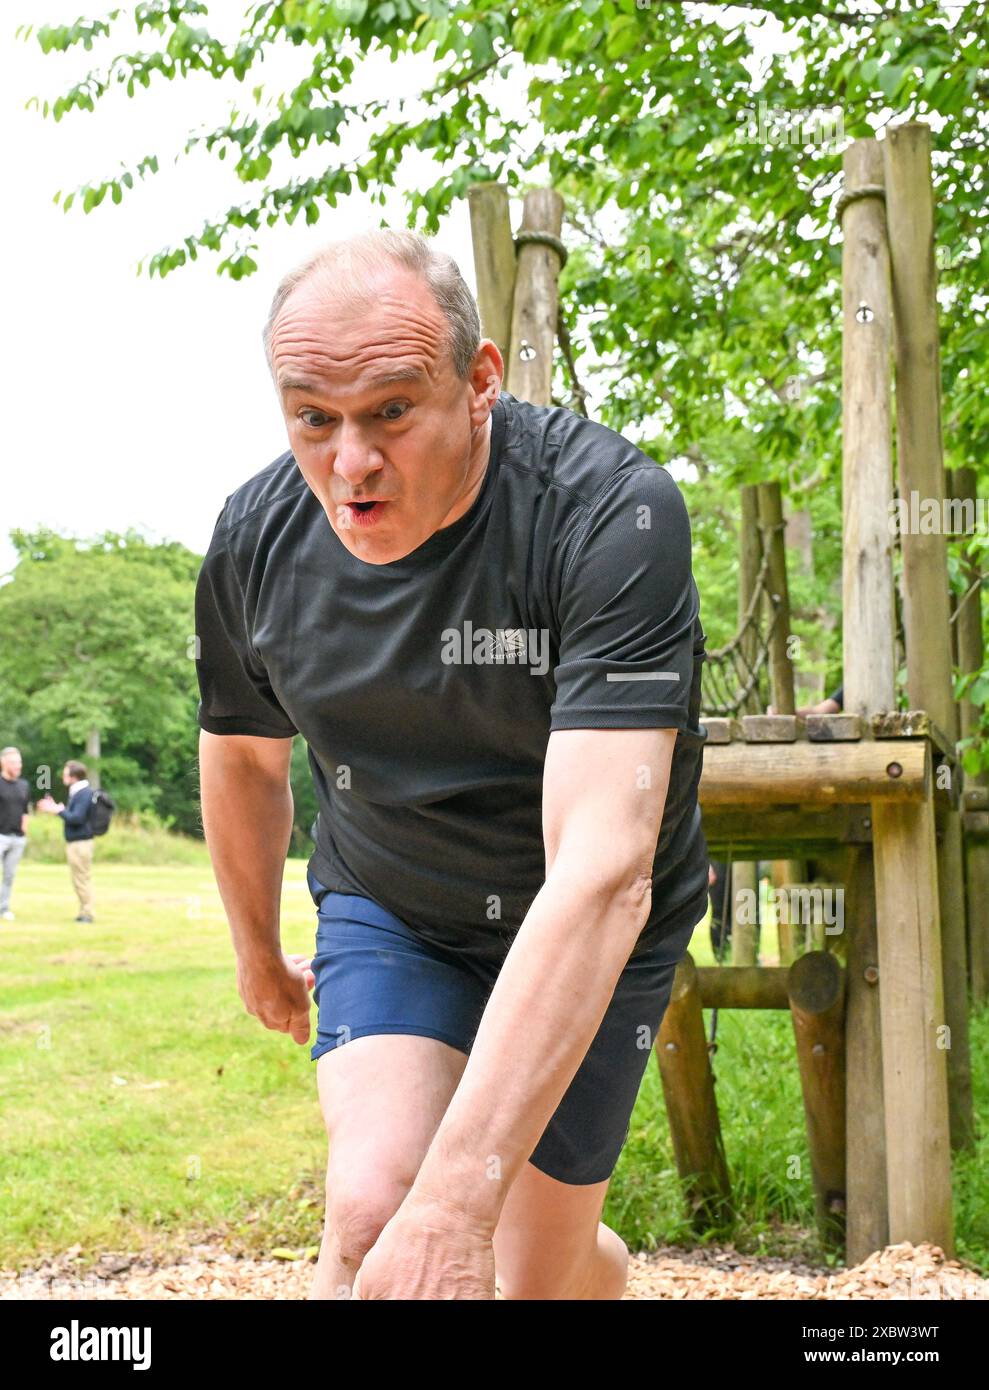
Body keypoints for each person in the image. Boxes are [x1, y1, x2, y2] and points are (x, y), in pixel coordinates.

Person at [194, 228, 710, 1301]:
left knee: (524, 1270)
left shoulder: (609, 514)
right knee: (374, 1212)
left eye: (390, 410)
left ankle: (585, 1268)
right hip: (394, 903)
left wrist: (458, 1201)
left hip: (588, 919)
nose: (350, 464)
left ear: (478, 383)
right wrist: (255, 948)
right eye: (313, 419)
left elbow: (603, 869)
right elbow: (245, 756)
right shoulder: (254, 541)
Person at [38, 761, 96, 922]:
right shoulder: (77, 792)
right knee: (78, 878)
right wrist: (59, 809)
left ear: (73, 776)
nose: (63, 776)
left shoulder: (83, 793)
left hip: (80, 843)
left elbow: (76, 818)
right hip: (77, 842)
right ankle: (83, 911)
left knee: (82, 878)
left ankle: (87, 913)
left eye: (65, 774)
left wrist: (58, 810)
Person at [0, 746, 31, 922]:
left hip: (17, 838)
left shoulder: (23, 785)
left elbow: (26, 810)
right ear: (3, 763)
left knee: (9, 875)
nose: (18, 766)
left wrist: (24, 831)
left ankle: (4, 908)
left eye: (19, 762)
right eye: (14, 762)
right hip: (0, 835)